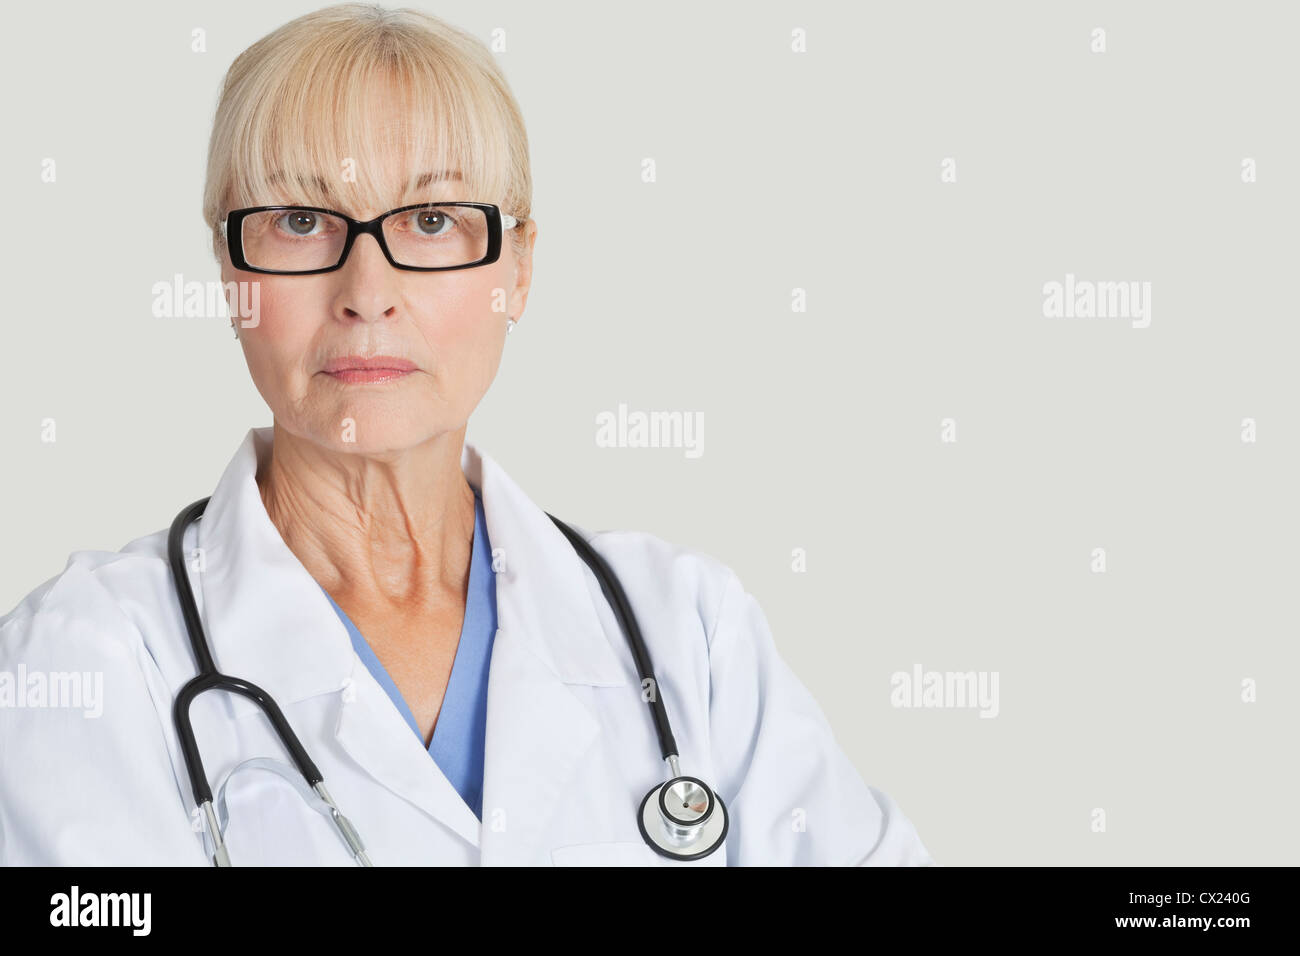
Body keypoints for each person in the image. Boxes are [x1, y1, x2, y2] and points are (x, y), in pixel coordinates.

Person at [0, 2, 934, 866]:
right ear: (230, 273)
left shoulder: (686, 630)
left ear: (518, 270)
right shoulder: (86, 660)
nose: (367, 291)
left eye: (434, 219)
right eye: (298, 221)